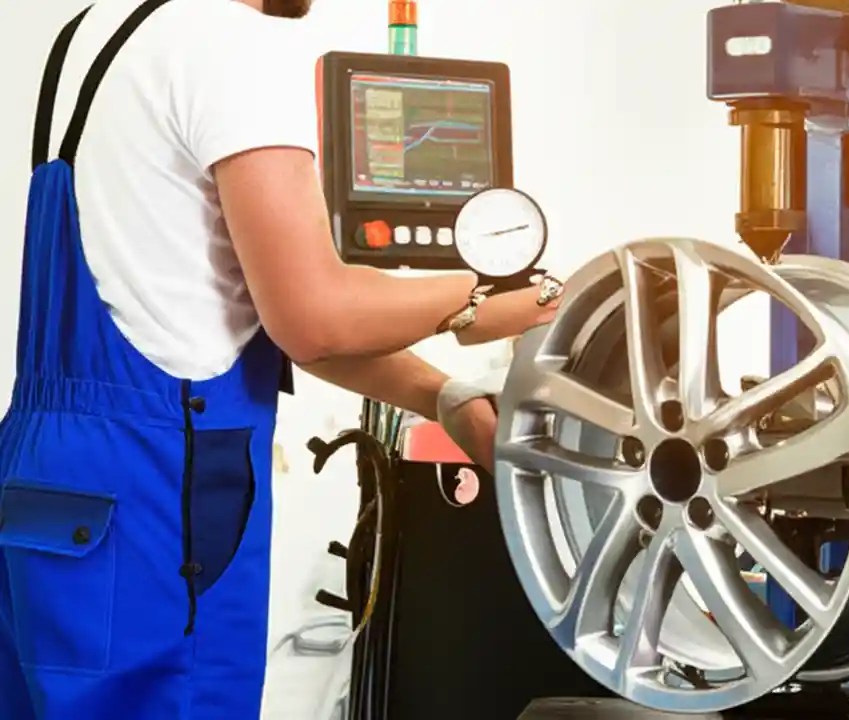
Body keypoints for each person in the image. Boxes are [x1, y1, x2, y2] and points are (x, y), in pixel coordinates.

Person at [0, 0, 551, 718]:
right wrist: (479, 300)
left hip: (43, 483)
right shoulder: (232, 42)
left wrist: (442, 397)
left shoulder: (92, 35)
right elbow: (314, 317)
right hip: (158, 495)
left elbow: (241, 313)